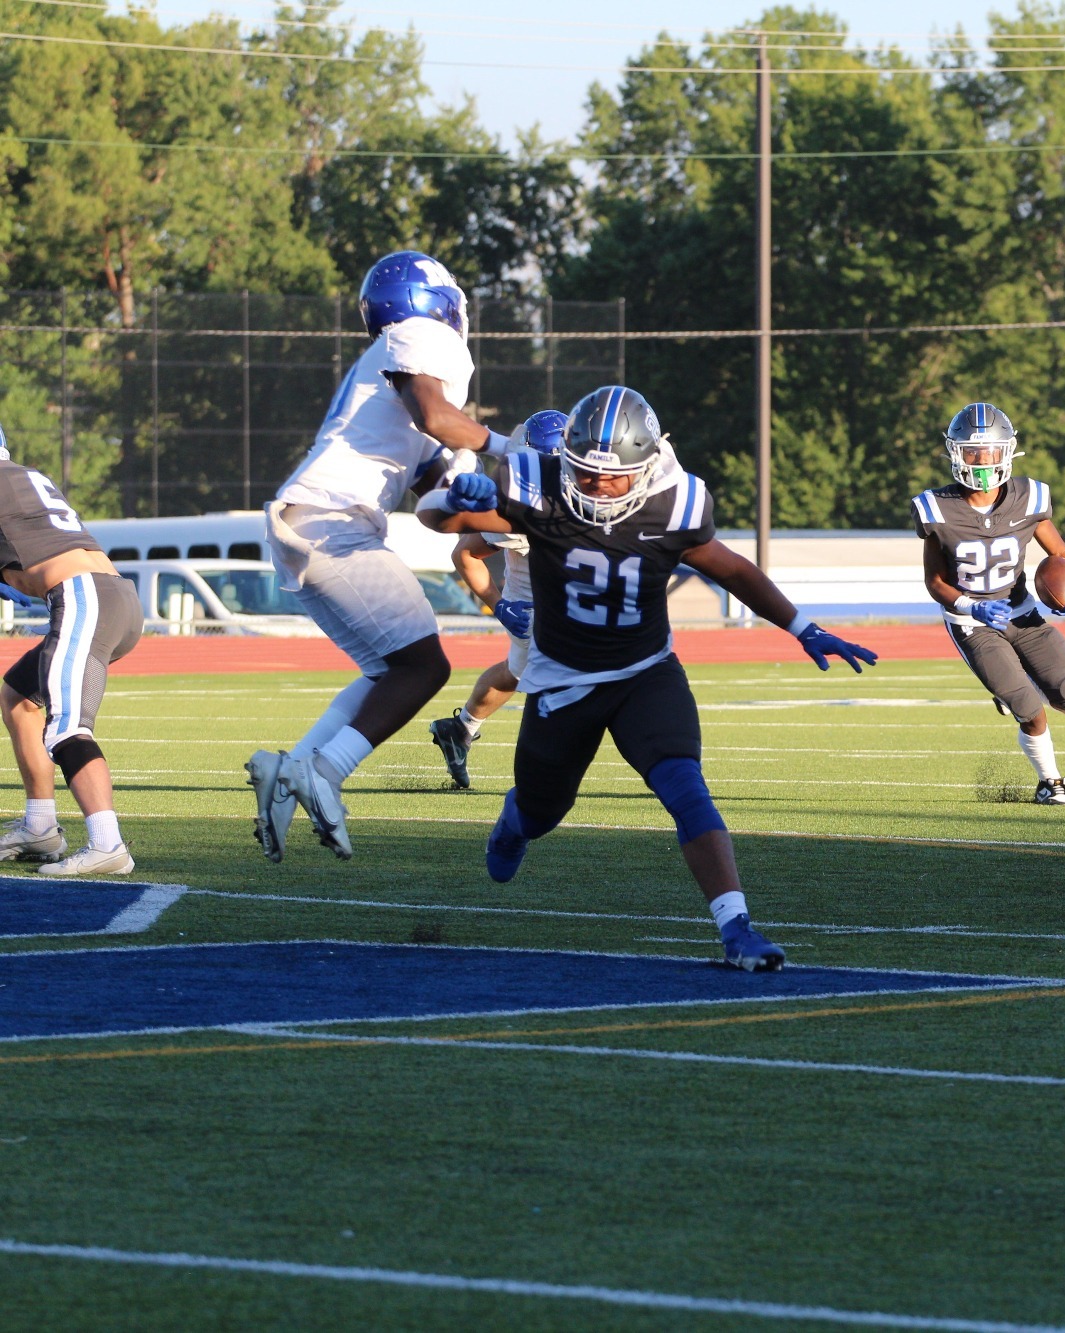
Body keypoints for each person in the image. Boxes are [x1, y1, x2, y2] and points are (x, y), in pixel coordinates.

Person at [417, 385, 877, 971]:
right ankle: (515, 821)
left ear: (645, 462)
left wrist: (803, 627)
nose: (593, 485)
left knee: (686, 788)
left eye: (608, 477)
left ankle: (737, 928)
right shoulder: (537, 481)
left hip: (644, 671)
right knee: (541, 812)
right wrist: (455, 495)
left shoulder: (676, 501)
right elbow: (436, 519)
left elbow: (730, 567)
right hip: (562, 679)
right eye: (582, 471)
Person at [246, 251, 512, 862]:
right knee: (425, 669)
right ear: (437, 302)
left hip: (308, 519)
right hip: (334, 522)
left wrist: (493, 502)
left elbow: (440, 501)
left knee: (385, 671)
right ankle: (325, 774)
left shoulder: (383, 369)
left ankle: (287, 780)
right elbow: (437, 416)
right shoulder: (423, 338)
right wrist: (507, 445)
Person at [912, 403, 1065, 805]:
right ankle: (1050, 781)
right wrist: (969, 605)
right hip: (972, 622)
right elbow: (934, 581)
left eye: (990, 452)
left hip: (1023, 613)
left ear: (1007, 452)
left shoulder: (1029, 498)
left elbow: (1058, 551)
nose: (981, 462)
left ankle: (1011, 683)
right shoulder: (936, 508)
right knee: (1029, 708)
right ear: (955, 453)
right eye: (973, 452)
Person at [0, 424, 146, 875]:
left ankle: (108, 846)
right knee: (18, 698)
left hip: (85, 597)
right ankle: (41, 827)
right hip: (110, 597)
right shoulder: (21, 478)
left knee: (66, 729)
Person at [428, 409, 569, 788]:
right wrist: (500, 605)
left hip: (568, 601)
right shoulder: (518, 508)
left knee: (518, 671)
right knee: (559, 677)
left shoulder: (587, 493)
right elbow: (465, 553)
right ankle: (543, 771)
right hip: (535, 609)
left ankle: (460, 729)